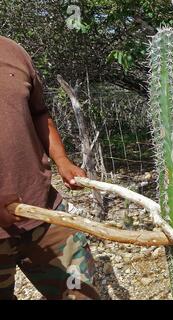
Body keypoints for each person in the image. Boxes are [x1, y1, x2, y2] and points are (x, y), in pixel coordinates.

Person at [0, 35, 99, 300]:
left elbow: (39, 113)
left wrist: (62, 161)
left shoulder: (13, 51)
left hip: (45, 212)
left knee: (79, 292)